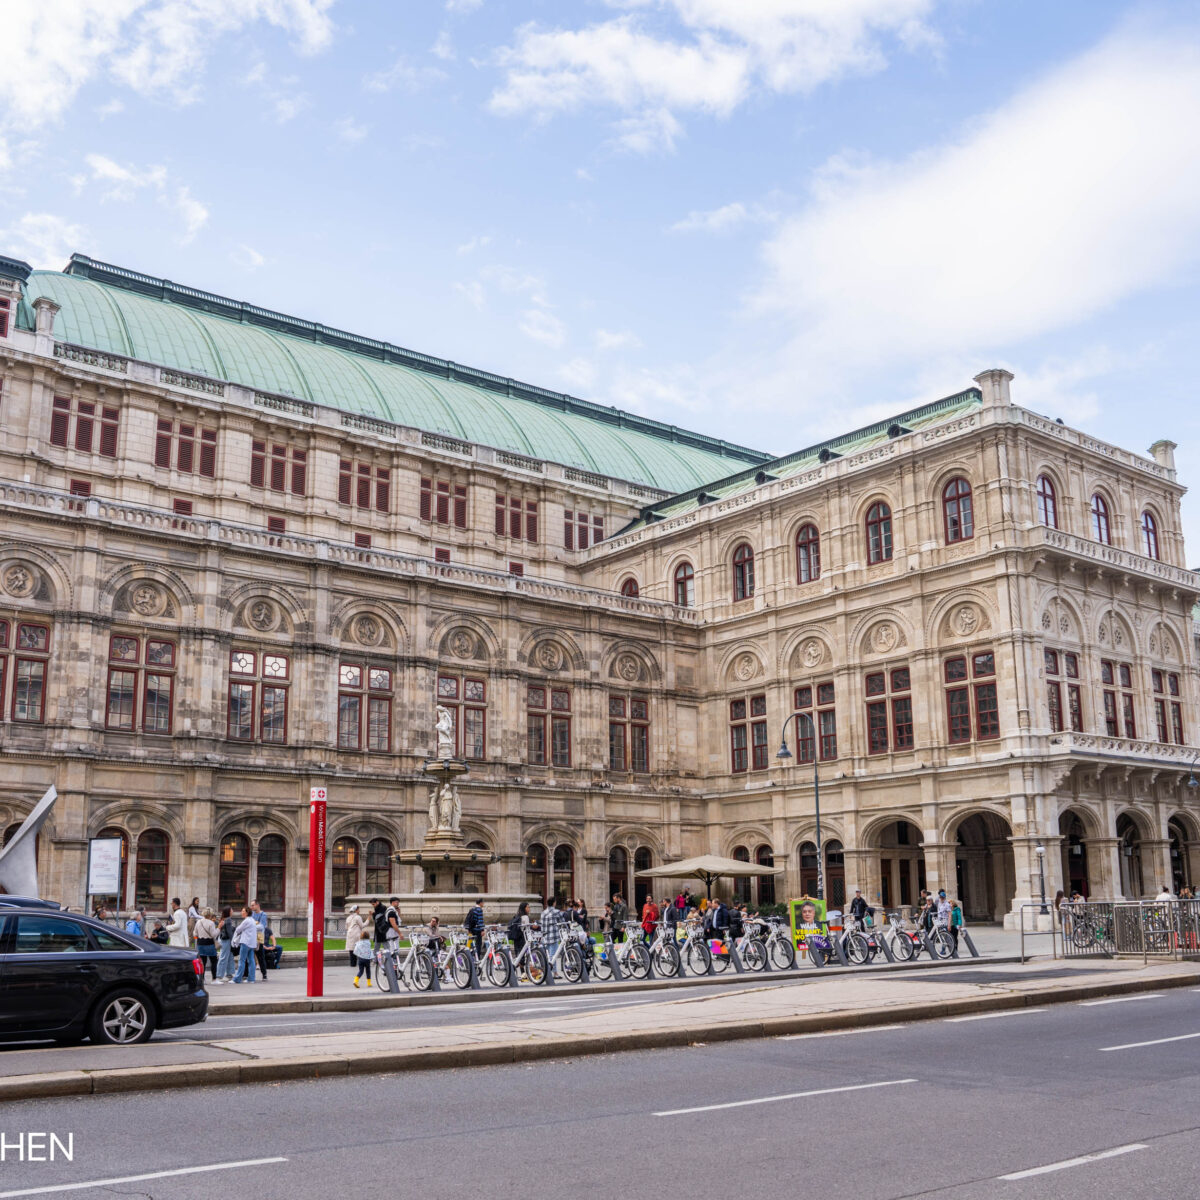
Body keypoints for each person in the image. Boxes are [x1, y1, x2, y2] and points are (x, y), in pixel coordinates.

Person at [231, 905, 259, 983]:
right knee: (251, 961)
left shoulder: (246, 921)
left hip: (245, 942)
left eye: (243, 911)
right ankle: (251, 978)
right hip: (252, 943)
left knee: (242, 961)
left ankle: (237, 979)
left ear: (247, 912)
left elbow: (238, 929)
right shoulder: (252, 920)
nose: (241, 912)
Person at [193, 907, 220, 981]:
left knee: (202, 962)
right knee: (213, 961)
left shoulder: (198, 922)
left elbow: (195, 933)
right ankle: (214, 979)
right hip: (209, 944)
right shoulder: (211, 923)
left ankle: (202, 979)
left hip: (200, 944)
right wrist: (219, 928)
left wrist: (198, 937)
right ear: (210, 915)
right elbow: (214, 934)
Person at [249, 900, 271, 981]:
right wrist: (255, 924)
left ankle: (264, 974)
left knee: (260, 957)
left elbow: (262, 926)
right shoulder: (251, 914)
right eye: (251, 905)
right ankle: (246, 974)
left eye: (253, 905)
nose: (251, 907)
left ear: (257, 905)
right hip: (251, 938)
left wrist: (252, 926)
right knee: (249, 956)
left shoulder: (263, 914)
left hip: (259, 939)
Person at [541, 896, 564, 967]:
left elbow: (542, 925)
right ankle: (553, 971)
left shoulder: (543, 912)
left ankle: (549, 970)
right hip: (554, 936)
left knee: (548, 955)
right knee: (553, 955)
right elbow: (562, 923)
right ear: (554, 903)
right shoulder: (556, 912)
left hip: (545, 936)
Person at [508, 902, 531, 974]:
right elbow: (526, 929)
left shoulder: (517, 916)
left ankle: (520, 971)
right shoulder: (525, 917)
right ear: (524, 908)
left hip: (516, 937)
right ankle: (522, 972)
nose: (529, 909)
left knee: (519, 955)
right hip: (522, 938)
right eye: (527, 907)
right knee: (522, 955)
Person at [217, 906, 236, 980]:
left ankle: (229, 973)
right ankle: (219, 975)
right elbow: (229, 932)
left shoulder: (224, 919)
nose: (233, 911)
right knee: (224, 957)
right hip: (226, 940)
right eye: (231, 910)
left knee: (229, 956)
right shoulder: (228, 920)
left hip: (224, 939)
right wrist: (233, 940)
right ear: (229, 911)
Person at [346, 904, 367, 969]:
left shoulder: (348, 917)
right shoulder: (358, 917)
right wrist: (368, 920)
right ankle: (362, 963)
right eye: (358, 910)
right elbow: (362, 925)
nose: (359, 911)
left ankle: (353, 963)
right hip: (356, 934)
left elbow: (346, 927)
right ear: (356, 910)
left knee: (351, 949)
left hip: (349, 934)